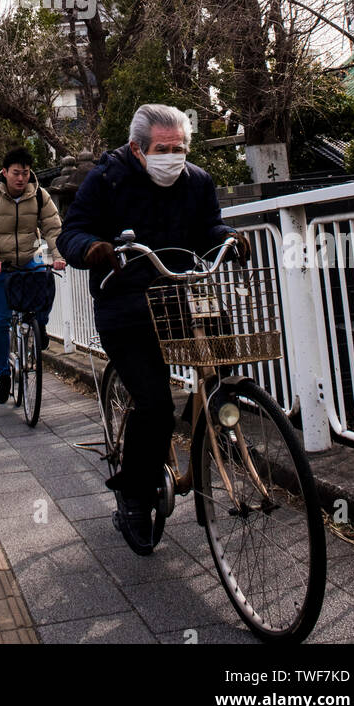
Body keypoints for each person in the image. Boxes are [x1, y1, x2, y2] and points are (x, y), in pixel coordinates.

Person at [57, 103, 250, 556]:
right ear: (137, 149)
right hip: (126, 302)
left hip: (182, 294)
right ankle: (134, 494)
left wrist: (226, 237)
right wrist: (94, 249)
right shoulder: (106, 179)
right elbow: (72, 232)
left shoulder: (197, 181)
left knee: (223, 359)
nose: (173, 156)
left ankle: (211, 428)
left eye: (179, 148)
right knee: (155, 404)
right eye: (162, 149)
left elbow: (208, 227)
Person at [0, 147, 66, 404]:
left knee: (47, 283)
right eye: (16, 173)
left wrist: (58, 256)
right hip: (1, 265)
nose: (21, 178)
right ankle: (3, 374)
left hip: (29, 259)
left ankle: (40, 326)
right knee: (1, 321)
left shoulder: (39, 196)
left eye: (25, 173)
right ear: (5, 173)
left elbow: (53, 229)